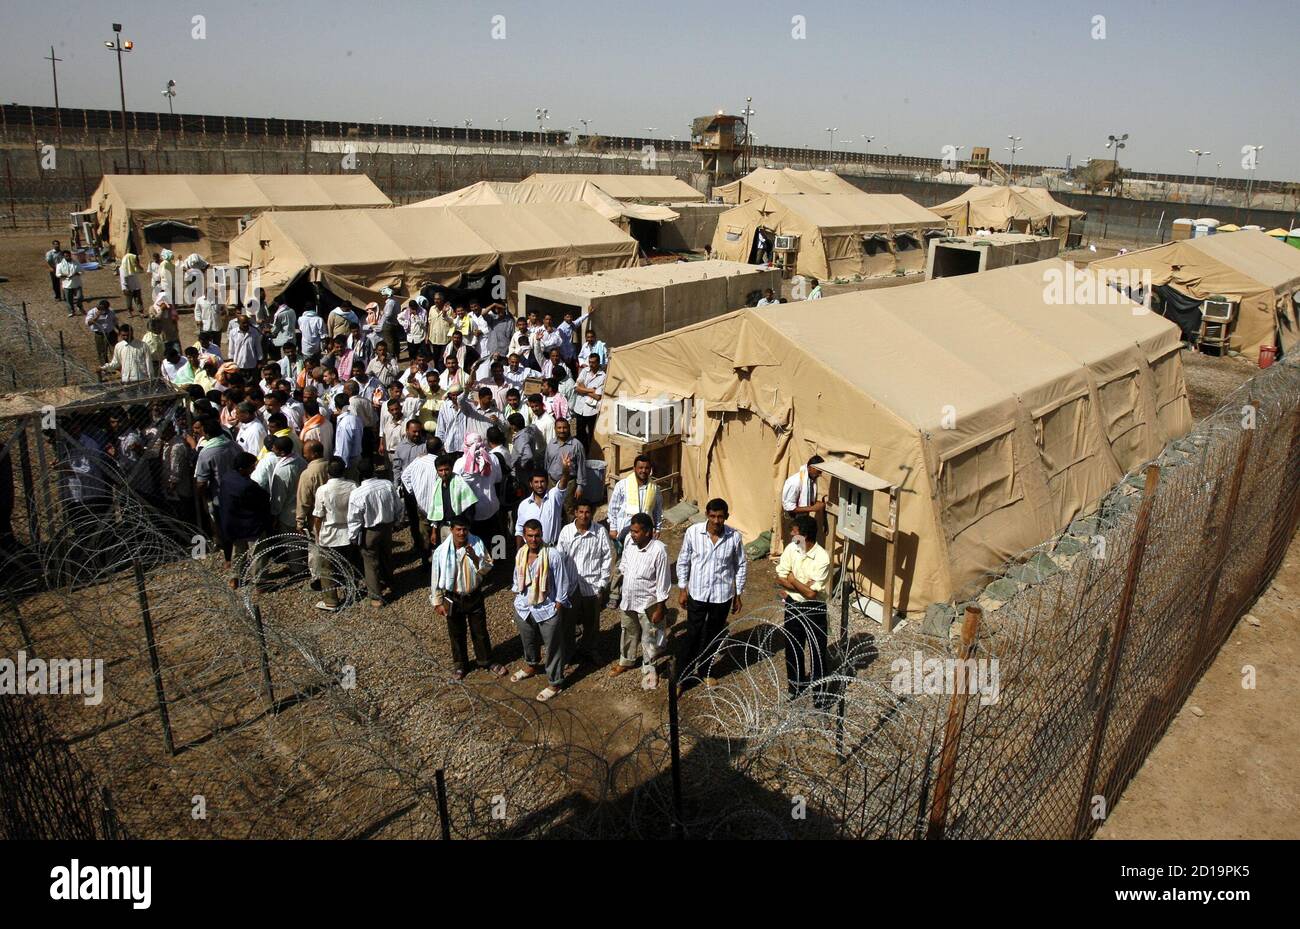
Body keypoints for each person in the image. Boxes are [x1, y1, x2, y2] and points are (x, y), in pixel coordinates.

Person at [676, 498, 747, 687]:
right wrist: (683, 588)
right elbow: (683, 561)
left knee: (714, 635)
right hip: (698, 594)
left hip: (721, 596)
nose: (716, 521)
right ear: (707, 514)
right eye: (713, 516)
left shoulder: (734, 537)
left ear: (726, 517)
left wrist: (737, 594)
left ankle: (705, 670)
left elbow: (740, 565)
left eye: (721, 517)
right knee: (692, 634)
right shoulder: (693, 533)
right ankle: (681, 677)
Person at [431, 515, 506, 681]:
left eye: (464, 529)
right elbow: (435, 577)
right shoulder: (441, 552)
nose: (461, 533)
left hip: (474, 595)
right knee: (456, 634)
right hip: (453, 598)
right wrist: (437, 601)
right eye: (458, 529)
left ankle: (486, 661)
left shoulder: (477, 543)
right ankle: (460, 665)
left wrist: (474, 557)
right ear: (451, 530)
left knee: (479, 631)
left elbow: (487, 567)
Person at [509, 518, 575, 702]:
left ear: (542, 535)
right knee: (528, 638)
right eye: (530, 536)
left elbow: (562, 581)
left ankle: (555, 682)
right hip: (524, 607)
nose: (534, 539)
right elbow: (516, 577)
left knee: (552, 646)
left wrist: (559, 604)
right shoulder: (521, 554)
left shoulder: (552, 555)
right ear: (524, 536)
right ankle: (531, 664)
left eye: (537, 535)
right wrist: (517, 596)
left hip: (547, 608)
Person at [774, 515, 832, 704]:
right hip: (793, 604)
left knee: (817, 651)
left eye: (794, 532)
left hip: (814, 609)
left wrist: (791, 580)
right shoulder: (792, 549)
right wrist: (799, 586)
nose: (791, 534)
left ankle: (820, 696)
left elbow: (811, 595)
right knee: (793, 647)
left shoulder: (822, 557)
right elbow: (779, 578)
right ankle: (795, 686)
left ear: (804, 536)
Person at [611, 512, 672, 690]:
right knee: (628, 631)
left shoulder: (659, 550)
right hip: (629, 600)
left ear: (648, 532)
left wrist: (660, 609)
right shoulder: (630, 543)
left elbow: (663, 582)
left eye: (636, 532)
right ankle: (626, 661)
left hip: (648, 602)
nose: (632, 534)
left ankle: (649, 667)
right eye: (631, 531)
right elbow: (624, 565)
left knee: (649, 636)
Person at [557, 500, 613, 665]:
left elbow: (607, 558)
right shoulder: (566, 532)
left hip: (592, 586)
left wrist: (602, 584)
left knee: (592, 622)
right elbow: (560, 560)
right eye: (580, 512)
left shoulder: (600, 531)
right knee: (568, 623)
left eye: (587, 512)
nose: (584, 516)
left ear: (592, 513)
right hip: (571, 587)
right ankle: (568, 653)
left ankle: (589, 649)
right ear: (575, 513)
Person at [347, 460, 403, 607]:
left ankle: (376, 596)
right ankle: (391, 582)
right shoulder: (387, 485)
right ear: (374, 470)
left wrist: (353, 537)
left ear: (360, 474)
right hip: (386, 528)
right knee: (386, 556)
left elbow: (354, 518)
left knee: (371, 563)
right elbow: (398, 505)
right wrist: (397, 521)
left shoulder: (357, 493)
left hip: (370, 531)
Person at [218, 451, 272, 588]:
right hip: (251, 524)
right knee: (257, 553)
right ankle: (260, 582)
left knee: (238, 552)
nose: (254, 469)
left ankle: (235, 578)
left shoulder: (227, 478)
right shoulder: (247, 486)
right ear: (243, 468)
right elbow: (263, 498)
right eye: (252, 466)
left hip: (233, 523)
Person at [312, 457, 360, 611]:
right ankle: (352, 591)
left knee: (327, 569)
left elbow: (319, 515)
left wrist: (317, 534)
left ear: (328, 473)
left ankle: (331, 600)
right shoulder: (353, 485)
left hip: (330, 534)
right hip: (349, 531)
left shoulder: (323, 490)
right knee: (349, 564)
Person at [452, 432, 502, 551]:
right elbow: (498, 478)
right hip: (492, 506)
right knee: (496, 536)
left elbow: (454, 488)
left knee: (476, 542)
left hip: (472, 512)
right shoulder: (493, 458)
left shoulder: (460, 463)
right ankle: (499, 561)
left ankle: (479, 563)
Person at [400, 437, 444, 563]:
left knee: (424, 535)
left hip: (421, 506)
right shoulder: (440, 465)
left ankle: (425, 560)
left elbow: (405, 476)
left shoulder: (417, 461)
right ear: (440, 449)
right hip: (437, 507)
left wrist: (413, 492)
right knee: (438, 535)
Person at [426, 453, 479, 547]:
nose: (444, 473)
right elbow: (435, 510)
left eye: (446, 469)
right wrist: (434, 531)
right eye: (440, 470)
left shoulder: (460, 484)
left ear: (451, 468)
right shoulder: (437, 485)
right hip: (444, 527)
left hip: (458, 529)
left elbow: (470, 509)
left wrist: (464, 530)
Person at [514, 465, 568, 548]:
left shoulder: (554, 496)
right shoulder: (524, 505)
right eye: (536, 482)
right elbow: (519, 530)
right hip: (531, 552)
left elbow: (563, 484)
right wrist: (519, 552)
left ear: (547, 483)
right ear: (531, 484)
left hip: (552, 549)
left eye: (542, 481)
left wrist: (565, 470)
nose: (539, 485)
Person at [781, 454, 825, 545]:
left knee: (801, 545)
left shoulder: (811, 479)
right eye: (818, 472)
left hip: (802, 517)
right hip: (792, 517)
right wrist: (813, 508)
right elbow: (790, 508)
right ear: (810, 468)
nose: (819, 475)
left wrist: (817, 503)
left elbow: (807, 498)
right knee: (794, 546)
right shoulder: (795, 482)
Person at [544, 416, 586, 509]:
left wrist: (580, 486)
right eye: (559, 428)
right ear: (555, 429)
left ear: (569, 428)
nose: (562, 430)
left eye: (564, 427)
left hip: (569, 484)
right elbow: (547, 463)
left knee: (569, 509)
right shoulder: (551, 443)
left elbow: (581, 467)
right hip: (552, 483)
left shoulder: (576, 445)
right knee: (552, 508)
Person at [572, 353, 605, 451]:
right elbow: (576, 388)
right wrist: (590, 390)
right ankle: (579, 450)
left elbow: (597, 396)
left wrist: (583, 389)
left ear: (598, 363)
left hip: (591, 411)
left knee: (591, 434)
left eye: (593, 362)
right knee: (577, 433)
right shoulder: (584, 371)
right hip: (579, 408)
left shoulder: (602, 376)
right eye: (590, 362)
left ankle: (589, 453)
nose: (591, 365)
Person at [332, 393, 363, 476]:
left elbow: (344, 447)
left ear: (336, 406)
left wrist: (343, 466)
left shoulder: (345, 423)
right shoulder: (356, 418)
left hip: (348, 462)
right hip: (356, 457)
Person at [229, 315, 264, 380]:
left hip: (251, 364)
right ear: (238, 323)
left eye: (247, 322)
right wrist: (231, 362)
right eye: (243, 323)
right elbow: (231, 349)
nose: (246, 324)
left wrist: (260, 361)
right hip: (238, 363)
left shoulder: (254, 332)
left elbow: (258, 347)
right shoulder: (233, 333)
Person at [85, 300, 118, 365]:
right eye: (103, 309)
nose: (105, 311)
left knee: (115, 349)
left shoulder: (111, 311)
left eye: (106, 309)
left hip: (111, 332)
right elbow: (88, 323)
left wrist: (118, 329)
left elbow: (114, 321)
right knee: (102, 351)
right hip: (100, 334)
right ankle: (105, 367)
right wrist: (97, 317)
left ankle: (116, 365)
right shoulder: (92, 312)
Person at [56, 250, 84, 317]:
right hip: (67, 284)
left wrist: (76, 273)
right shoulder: (60, 265)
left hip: (77, 283)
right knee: (69, 299)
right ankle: (71, 311)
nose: (68, 257)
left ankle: (79, 306)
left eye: (69, 255)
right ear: (63, 256)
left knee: (80, 297)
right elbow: (58, 274)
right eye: (66, 256)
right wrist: (66, 276)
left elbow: (81, 271)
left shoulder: (76, 263)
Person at [119, 249, 145, 315]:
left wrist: (138, 265)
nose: (135, 261)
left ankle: (141, 311)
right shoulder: (123, 268)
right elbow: (123, 279)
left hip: (136, 286)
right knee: (129, 300)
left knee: (138, 299)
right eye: (134, 259)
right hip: (128, 287)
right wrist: (126, 288)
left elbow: (142, 271)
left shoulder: (133, 266)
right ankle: (129, 312)